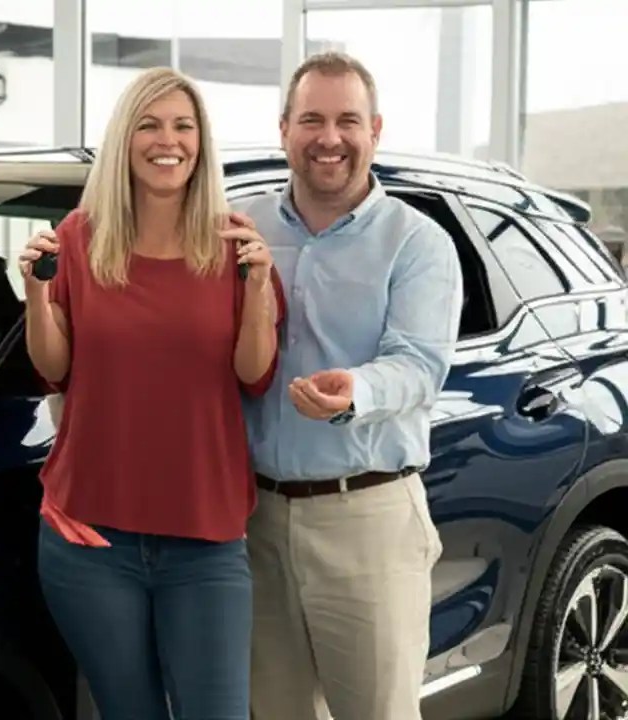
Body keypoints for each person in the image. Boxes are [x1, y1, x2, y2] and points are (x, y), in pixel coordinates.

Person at [17, 66, 284, 720]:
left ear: (201, 142)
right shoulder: (79, 237)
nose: (168, 141)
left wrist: (256, 287)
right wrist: (35, 293)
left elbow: (255, 374)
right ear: (125, 139)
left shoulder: (235, 243)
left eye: (183, 126)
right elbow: (55, 370)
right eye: (150, 125)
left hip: (204, 539)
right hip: (90, 540)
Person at [240, 51, 464, 720]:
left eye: (347, 120)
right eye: (311, 119)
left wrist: (355, 393)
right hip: (252, 521)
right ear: (284, 129)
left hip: (365, 518)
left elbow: (418, 363)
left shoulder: (417, 242)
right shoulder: (239, 226)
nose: (329, 138)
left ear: (375, 130)